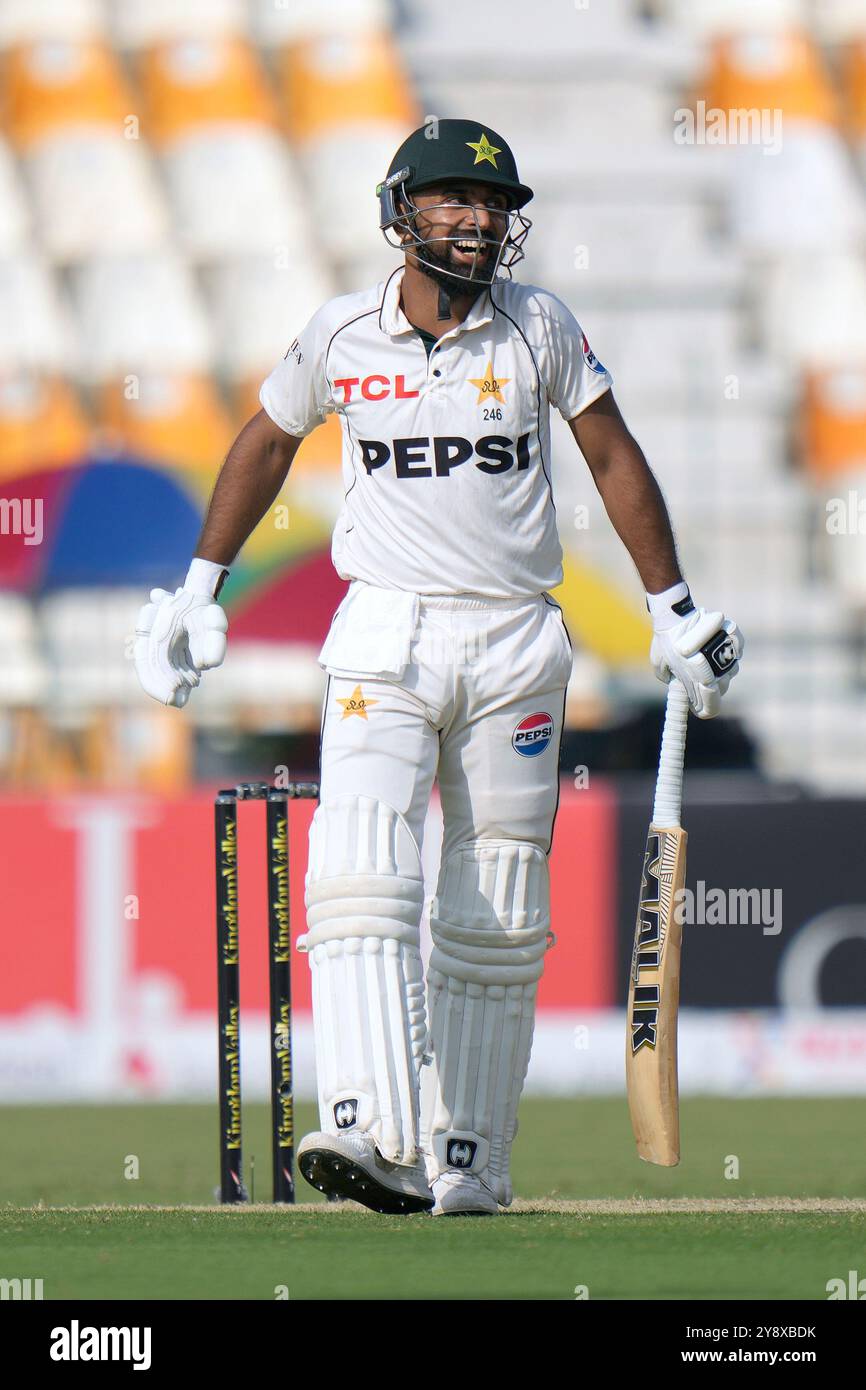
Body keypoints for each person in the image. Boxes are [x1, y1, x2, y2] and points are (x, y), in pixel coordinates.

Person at [134, 119, 743, 1216]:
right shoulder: (340, 336)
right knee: (359, 872)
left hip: (516, 635)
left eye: (492, 203)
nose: (474, 218)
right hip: (383, 628)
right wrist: (197, 585)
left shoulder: (539, 327)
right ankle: (371, 1126)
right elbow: (266, 441)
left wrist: (672, 608)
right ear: (400, 212)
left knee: (496, 904)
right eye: (452, 199)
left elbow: (609, 452)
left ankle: (470, 1157)